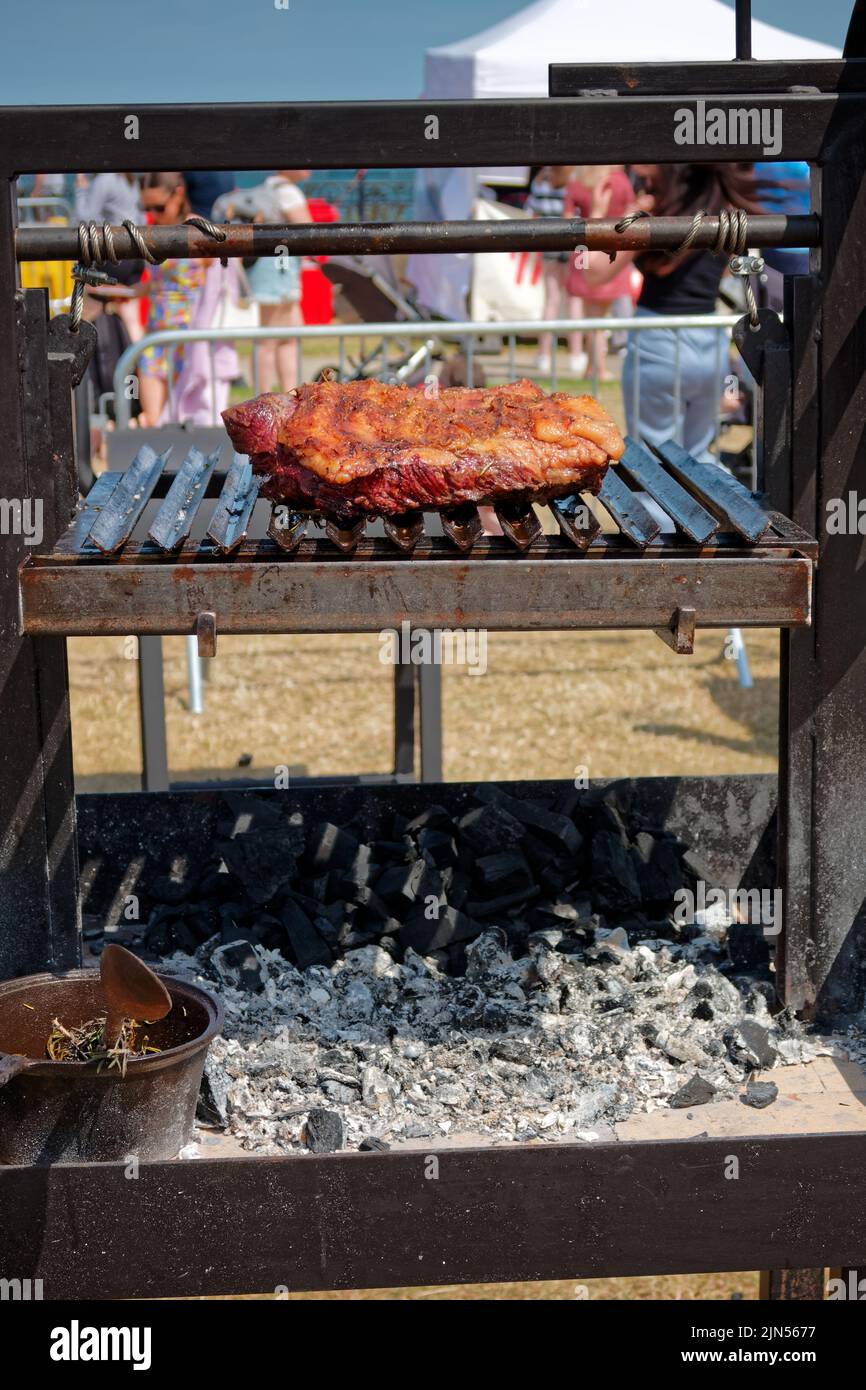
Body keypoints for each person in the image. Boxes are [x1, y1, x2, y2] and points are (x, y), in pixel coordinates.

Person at [581, 163, 763, 460]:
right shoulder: (726, 210)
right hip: (709, 342)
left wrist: (601, 214)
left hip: (657, 342)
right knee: (699, 455)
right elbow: (727, 269)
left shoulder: (653, 211)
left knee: (654, 461)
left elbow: (592, 270)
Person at [135, 173, 208, 425]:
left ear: (178, 194)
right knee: (155, 421)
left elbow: (218, 278)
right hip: (156, 332)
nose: (153, 214)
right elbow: (157, 282)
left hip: (190, 335)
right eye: (147, 208)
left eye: (159, 207)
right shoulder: (153, 229)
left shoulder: (196, 227)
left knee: (185, 418)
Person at [241, 170, 311, 393]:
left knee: (283, 337)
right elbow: (309, 230)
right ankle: (273, 397)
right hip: (279, 273)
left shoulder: (266, 189)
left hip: (266, 270)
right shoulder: (289, 193)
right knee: (272, 340)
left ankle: (281, 396)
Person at [566, 166, 635, 381]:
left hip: (581, 248)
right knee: (598, 317)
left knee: (589, 313)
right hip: (610, 249)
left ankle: (590, 365)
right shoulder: (620, 181)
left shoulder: (577, 180)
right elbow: (631, 212)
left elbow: (567, 217)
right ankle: (598, 369)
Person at [526, 165, 587, 377]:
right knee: (574, 298)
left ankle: (544, 354)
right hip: (575, 244)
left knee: (551, 299)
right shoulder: (575, 181)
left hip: (548, 241)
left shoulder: (540, 182)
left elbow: (532, 213)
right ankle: (576, 355)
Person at [74, 172, 146, 342]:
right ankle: (139, 362)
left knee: (90, 302)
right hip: (135, 256)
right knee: (131, 318)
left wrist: (81, 190)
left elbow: (85, 218)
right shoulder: (130, 178)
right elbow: (139, 216)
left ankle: (99, 356)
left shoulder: (105, 179)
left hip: (114, 257)